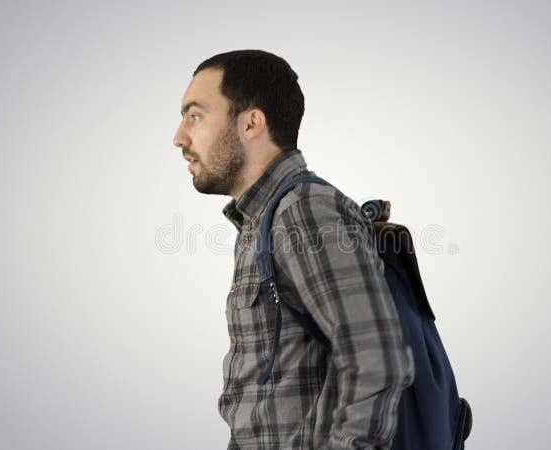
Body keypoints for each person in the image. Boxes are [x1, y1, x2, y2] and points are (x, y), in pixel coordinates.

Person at [173, 49, 414, 450]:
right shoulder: (261, 220)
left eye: (195, 115)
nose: (180, 137)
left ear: (251, 123)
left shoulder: (304, 212)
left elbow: (377, 362)